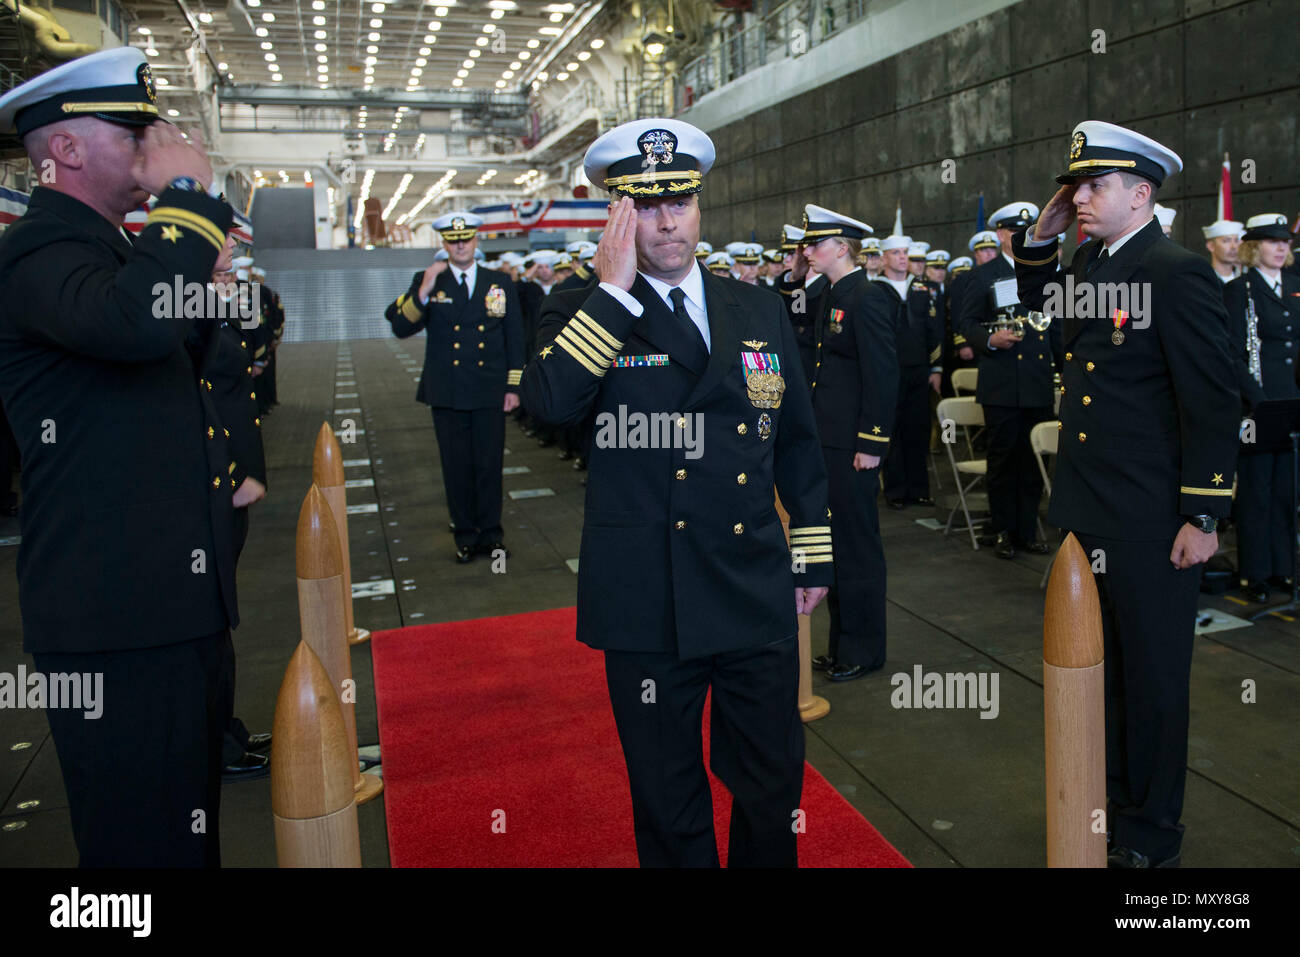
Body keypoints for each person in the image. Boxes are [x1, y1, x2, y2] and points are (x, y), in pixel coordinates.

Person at [521, 118, 832, 867]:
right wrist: (615, 294)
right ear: (619, 216)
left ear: (698, 208)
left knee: (769, 783)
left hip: (749, 580)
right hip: (647, 597)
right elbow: (551, 404)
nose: (666, 221)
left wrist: (813, 552)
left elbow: (795, 437)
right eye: (646, 205)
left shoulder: (754, 308)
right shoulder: (582, 305)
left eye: (680, 203)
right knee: (667, 795)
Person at [0, 46, 241, 866]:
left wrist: (198, 281)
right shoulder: (39, 251)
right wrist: (184, 196)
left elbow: (173, 364)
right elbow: (133, 328)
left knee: (181, 831)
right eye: (133, 128)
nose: (154, 141)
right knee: (139, 849)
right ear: (65, 149)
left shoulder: (108, 253)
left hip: (165, 609)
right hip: (117, 619)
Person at [1013, 120, 1240, 868]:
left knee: (1153, 678)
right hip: (1088, 508)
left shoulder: (1176, 273)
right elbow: (1053, 339)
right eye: (1077, 185)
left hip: (1150, 518)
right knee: (1095, 671)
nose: (1077, 196)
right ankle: (1103, 803)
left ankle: (1152, 830)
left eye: (1094, 184)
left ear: (1140, 193)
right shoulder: (1090, 265)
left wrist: (1204, 512)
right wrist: (1040, 249)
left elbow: (1209, 400)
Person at [383, 211, 524, 563]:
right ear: (444, 244)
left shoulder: (499, 281)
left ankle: (491, 535)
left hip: (489, 388)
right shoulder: (430, 279)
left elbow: (515, 337)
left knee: (489, 466)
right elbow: (401, 328)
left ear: (476, 241)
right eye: (453, 240)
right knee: (456, 466)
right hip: (447, 390)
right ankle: (464, 535)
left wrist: (514, 386)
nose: (460, 245)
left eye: (466, 239)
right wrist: (424, 291)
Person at [797, 204, 898, 681]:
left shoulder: (867, 296)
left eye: (815, 243)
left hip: (853, 445)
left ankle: (863, 649)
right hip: (829, 440)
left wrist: (872, 441)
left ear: (841, 247)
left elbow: (882, 375)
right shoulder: (835, 293)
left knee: (856, 546)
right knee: (835, 544)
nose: (807, 250)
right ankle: (841, 644)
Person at [957, 200, 1061, 558]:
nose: (1021, 237)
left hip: (1036, 381)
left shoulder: (1045, 271)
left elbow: (1058, 328)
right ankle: (1001, 529)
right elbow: (966, 324)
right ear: (1001, 234)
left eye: (1027, 231)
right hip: (1001, 382)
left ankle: (1028, 529)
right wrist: (989, 340)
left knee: (1034, 462)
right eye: (1015, 232)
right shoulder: (983, 275)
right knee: (1002, 462)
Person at [1223, 213, 1299, 603]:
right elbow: (1233, 354)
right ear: (1254, 247)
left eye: (1285, 241)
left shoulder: (1296, 287)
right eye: (1272, 241)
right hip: (1258, 405)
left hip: (1292, 402)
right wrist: (1258, 399)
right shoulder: (1241, 290)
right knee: (1256, 491)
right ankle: (1255, 574)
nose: (1281, 247)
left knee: (1287, 490)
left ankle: (1284, 569)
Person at [877, 234, 942, 508]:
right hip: (889, 370)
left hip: (919, 369)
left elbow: (933, 330)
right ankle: (895, 491)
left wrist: (936, 366)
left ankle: (919, 489)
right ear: (884, 258)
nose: (903, 257)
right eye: (896, 253)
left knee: (918, 429)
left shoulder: (921, 289)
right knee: (893, 431)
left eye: (905, 252)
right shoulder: (876, 290)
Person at [1203, 219, 1244, 284]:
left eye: (1236, 241)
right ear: (1211, 246)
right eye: (1226, 241)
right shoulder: (1204, 280)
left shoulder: (1244, 279)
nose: (1234, 247)